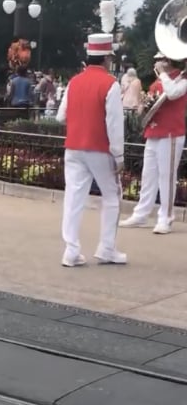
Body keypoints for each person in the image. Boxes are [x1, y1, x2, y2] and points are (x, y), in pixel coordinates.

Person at [56, 33, 127, 266]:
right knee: (112, 196)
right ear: (107, 58)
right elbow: (114, 125)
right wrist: (119, 156)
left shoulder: (74, 81)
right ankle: (106, 248)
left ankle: (71, 250)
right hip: (99, 148)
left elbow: (60, 116)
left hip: (74, 147)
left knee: (74, 197)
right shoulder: (111, 84)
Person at [121, 52, 187, 234]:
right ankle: (141, 214)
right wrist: (142, 107)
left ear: (169, 61)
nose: (156, 63)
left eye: (160, 60)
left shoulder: (182, 80)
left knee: (167, 177)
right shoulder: (158, 82)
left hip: (171, 133)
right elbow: (150, 104)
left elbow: (173, 94)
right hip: (154, 132)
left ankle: (166, 218)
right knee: (148, 176)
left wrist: (164, 75)